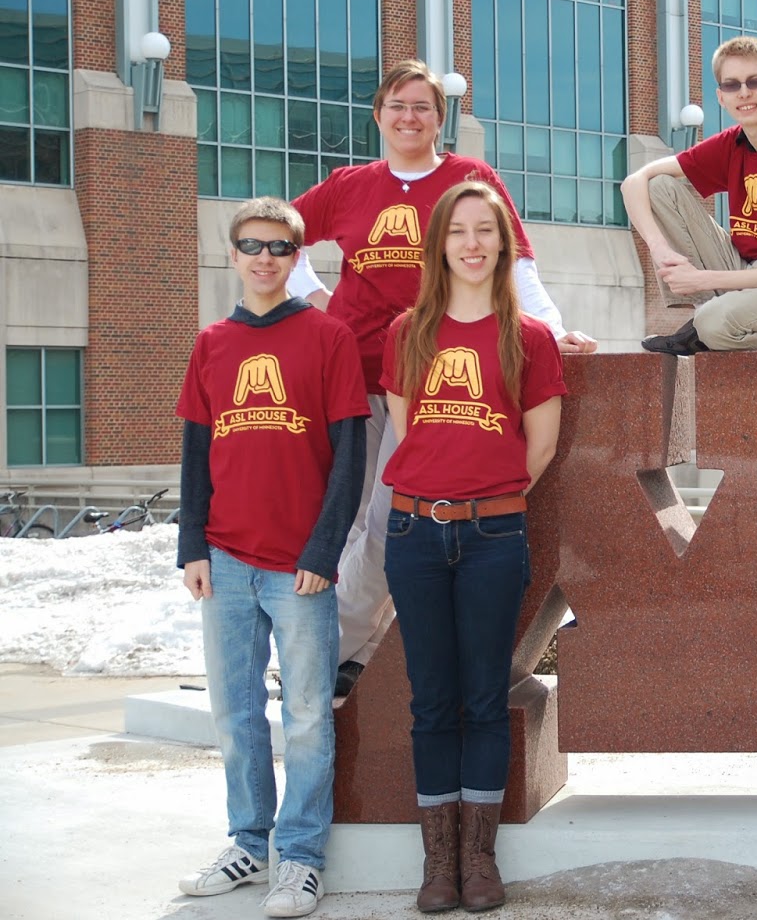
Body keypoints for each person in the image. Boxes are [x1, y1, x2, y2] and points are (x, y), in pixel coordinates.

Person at [288, 59, 595, 696]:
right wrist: (318, 308)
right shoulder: (350, 185)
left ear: (439, 118)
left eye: (422, 107)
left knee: (384, 520)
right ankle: (356, 653)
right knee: (341, 519)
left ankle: (319, 654)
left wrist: (551, 328)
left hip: (429, 387)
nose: (409, 117)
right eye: (397, 105)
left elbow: (516, 264)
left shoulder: (468, 179)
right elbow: (279, 238)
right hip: (349, 378)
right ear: (378, 116)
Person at [175, 198, 370, 917]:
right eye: (251, 245)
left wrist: (325, 548)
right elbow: (198, 451)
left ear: (296, 258)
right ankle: (250, 843)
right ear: (233, 255)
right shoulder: (212, 343)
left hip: (300, 567)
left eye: (279, 247)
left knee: (310, 715)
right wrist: (190, 544)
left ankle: (302, 858)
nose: (264, 257)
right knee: (235, 712)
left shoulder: (327, 338)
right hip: (224, 560)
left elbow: (351, 454)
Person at [380, 180, 566, 912]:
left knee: (484, 698)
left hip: (494, 533)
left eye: (485, 229)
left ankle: (479, 860)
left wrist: (481, 494)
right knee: (431, 701)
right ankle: (439, 861)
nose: (472, 242)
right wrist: (438, 494)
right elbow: (406, 431)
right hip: (413, 532)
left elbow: (541, 446)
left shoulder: (531, 338)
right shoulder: (407, 333)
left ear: (503, 243)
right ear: (439, 245)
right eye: (458, 230)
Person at [620, 35, 757, 354]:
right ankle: (710, 319)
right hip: (746, 270)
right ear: (721, 97)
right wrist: (659, 250)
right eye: (731, 85)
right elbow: (634, 181)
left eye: (755, 82)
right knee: (658, 186)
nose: (743, 93)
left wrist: (699, 279)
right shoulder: (733, 143)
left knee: (714, 323)